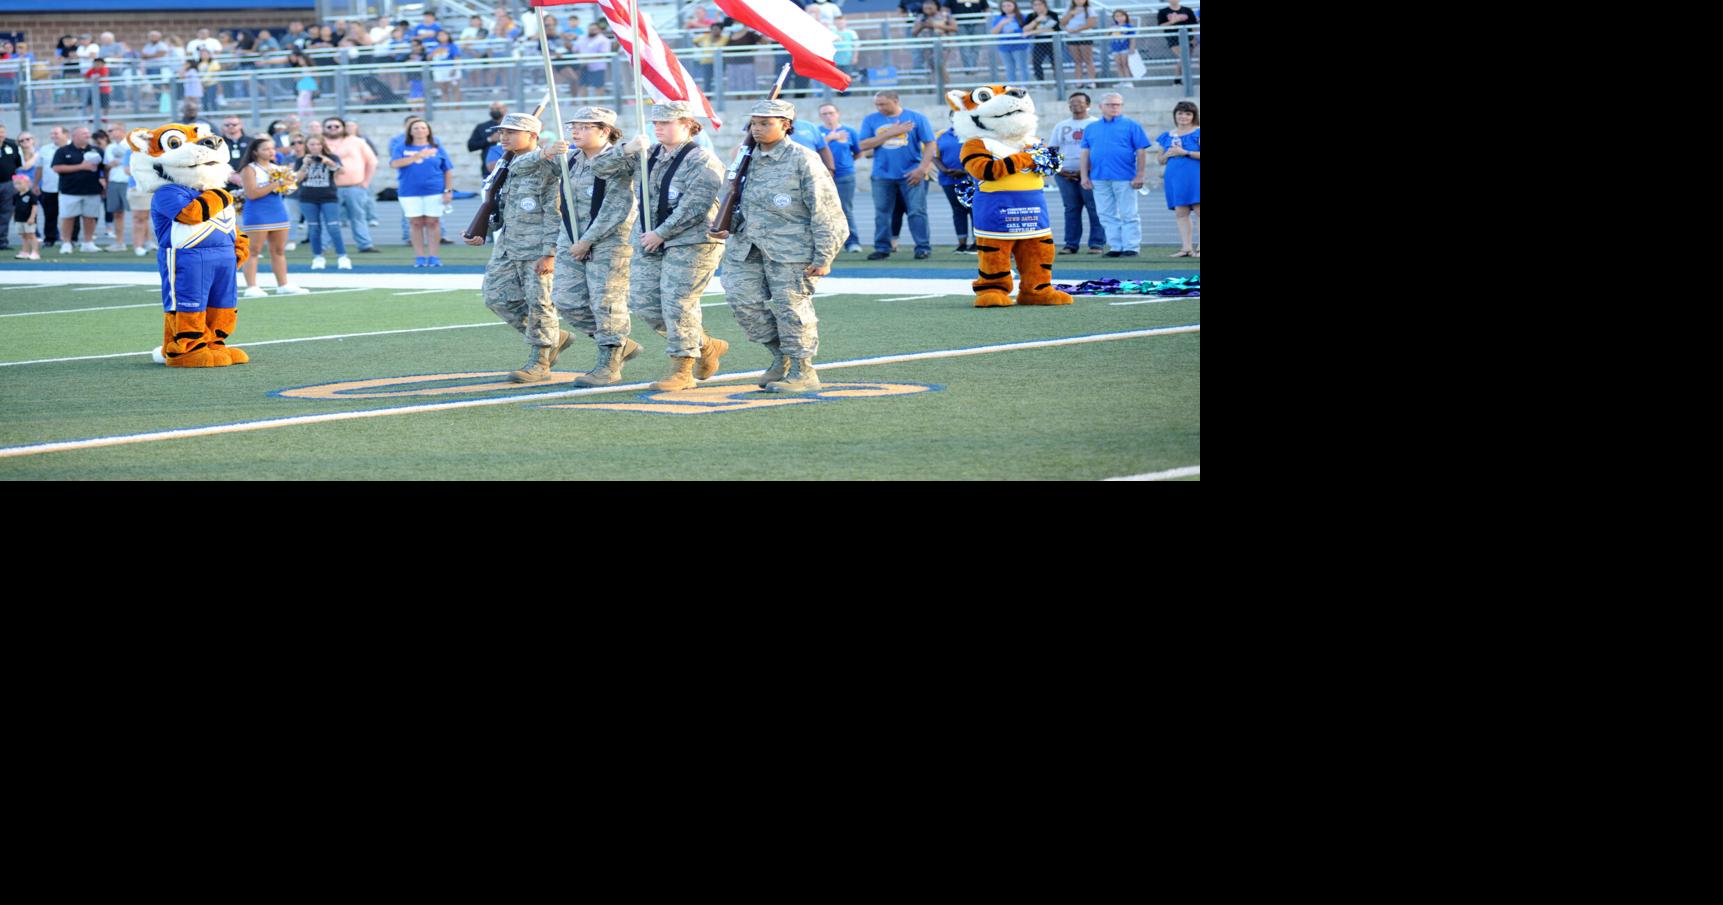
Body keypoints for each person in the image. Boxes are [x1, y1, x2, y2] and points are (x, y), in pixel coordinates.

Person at [591, 101, 728, 391]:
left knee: (678, 303)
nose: (658, 128)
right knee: (644, 303)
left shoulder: (702, 159)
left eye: (666, 123)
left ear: (687, 125)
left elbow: (696, 205)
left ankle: (682, 368)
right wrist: (627, 149)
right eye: (656, 123)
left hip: (691, 241)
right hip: (650, 239)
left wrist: (662, 233)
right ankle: (705, 345)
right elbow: (600, 168)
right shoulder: (648, 154)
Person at [710, 99, 844, 393]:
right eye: (753, 124)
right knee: (743, 303)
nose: (757, 129)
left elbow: (826, 210)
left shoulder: (802, 159)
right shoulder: (745, 158)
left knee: (791, 309)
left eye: (765, 123)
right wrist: (725, 222)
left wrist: (824, 255)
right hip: (746, 247)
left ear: (785, 125)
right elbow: (734, 198)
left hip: (790, 249)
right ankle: (780, 356)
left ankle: (803, 370)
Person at [464, 112, 569, 383]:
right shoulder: (506, 164)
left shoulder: (545, 166)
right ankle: (552, 337)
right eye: (502, 132)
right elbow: (501, 205)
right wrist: (483, 229)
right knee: (495, 297)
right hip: (508, 245)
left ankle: (540, 361)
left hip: (536, 248)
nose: (503, 137)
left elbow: (555, 213)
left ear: (532, 136)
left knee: (540, 303)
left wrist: (550, 253)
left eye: (511, 132)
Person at [551, 106, 640, 387]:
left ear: (604, 131)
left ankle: (609, 361)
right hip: (572, 237)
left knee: (607, 302)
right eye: (574, 126)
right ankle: (617, 342)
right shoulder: (571, 159)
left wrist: (588, 240)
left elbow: (617, 207)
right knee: (566, 299)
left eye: (584, 127)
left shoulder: (619, 161)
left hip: (609, 240)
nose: (575, 132)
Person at [859, 90, 936, 260]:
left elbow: (930, 144)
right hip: (882, 175)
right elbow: (863, 145)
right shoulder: (871, 120)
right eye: (877, 104)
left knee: (917, 211)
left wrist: (922, 169)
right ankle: (882, 248)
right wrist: (891, 132)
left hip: (911, 172)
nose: (880, 108)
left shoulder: (916, 118)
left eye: (883, 104)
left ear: (896, 100)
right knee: (882, 213)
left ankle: (922, 247)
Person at [1079, 92, 1149, 257]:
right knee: (1105, 214)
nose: (1114, 107)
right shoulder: (1091, 128)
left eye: (1118, 104)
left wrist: (1140, 175)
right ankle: (1116, 247)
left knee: (1129, 213)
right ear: (1100, 107)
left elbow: (1141, 151)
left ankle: (1131, 247)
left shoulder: (1132, 125)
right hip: (1099, 177)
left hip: (1125, 177)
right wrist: (1084, 176)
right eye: (1110, 104)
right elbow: (1085, 153)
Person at [238, 136, 309, 296]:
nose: (271, 151)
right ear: (255, 152)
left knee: (278, 250)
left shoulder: (277, 168)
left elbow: (293, 181)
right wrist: (275, 184)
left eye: (272, 148)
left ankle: (283, 285)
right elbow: (252, 194)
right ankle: (251, 287)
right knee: (254, 250)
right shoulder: (249, 169)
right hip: (257, 213)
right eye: (266, 149)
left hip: (278, 211)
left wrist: (304, 166)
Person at [1048, 91, 1105, 254]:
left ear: (1088, 105)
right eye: (1072, 102)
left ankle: (1096, 244)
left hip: (1090, 174)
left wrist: (1086, 170)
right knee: (1071, 209)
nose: (1075, 105)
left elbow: (1101, 150)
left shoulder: (1096, 124)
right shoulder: (1061, 125)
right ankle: (1071, 244)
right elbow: (1052, 149)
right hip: (1065, 174)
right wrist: (1059, 170)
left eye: (1080, 102)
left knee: (1094, 208)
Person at [394, 119, 454, 267]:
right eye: (416, 128)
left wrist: (448, 190)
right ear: (410, 131)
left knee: (433, 222)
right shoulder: (401, 147)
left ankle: (434, 256)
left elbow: (447, 169)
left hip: (434, 190)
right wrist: (417, 156)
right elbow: (394, 163)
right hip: (409, 191)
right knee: (415, 223)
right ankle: (420, 257)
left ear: (428, 131)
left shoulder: (437, 147)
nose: (419, 130)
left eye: (423, 128)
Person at [321, 117, 380, 253]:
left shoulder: (357, 141)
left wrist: (366, 181)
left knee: (358, 217)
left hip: (355, 187)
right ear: (324, 128)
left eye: (336, 126)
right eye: (329, 126)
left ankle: (365, 245)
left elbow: (372, 161)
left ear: (343, 127)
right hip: (329, 188)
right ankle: (324, 246)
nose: (333, 129)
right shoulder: (319, 143)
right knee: (329, 218)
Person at [294, 133, 349, 270]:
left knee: (333, 226)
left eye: (318, 144)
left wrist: (329, 162)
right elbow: (296, 179)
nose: (315, 147)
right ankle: (318, 257)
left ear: (323, 145)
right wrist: (304, 165)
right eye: (312, 144)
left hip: (328, 196)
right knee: (314, 228)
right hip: (307, 197)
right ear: (307, 146)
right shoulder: (301, 160)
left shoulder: (331, 157)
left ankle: (342, 256)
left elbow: (342, 172)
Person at [1155, 100, 1200, 256]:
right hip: (1175, 178)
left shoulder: (1198, 132)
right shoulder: (1167, 136)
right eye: (1180, 113)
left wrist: (1185, 152)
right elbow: (1160, 160)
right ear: (1175, 115)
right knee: (1181, 212)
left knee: (1199, 210)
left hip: (1196, 177)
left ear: (1194, 116)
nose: (1183, 117)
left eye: (1188, 114)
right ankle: (1186, 248)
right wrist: (1167, 154)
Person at [817, 103, 863, 254]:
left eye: (831, 113)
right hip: (821, 177)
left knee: (845, 209)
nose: (828, 116)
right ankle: (827, 244)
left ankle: (852, 242)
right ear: (820, 116)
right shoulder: (817, 132)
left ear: (838, 114)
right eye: (824, 114)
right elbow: (812, 151)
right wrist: (830, 138)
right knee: (822, 211)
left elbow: (858, 152)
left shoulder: (849, 131)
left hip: (845, 176)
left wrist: (845, 164)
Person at [52, 127, 104, 254]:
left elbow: (104, 169)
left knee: (90, 217)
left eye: (88, 133)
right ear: (74, 136)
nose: (87, 135)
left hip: (92, 190)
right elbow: (56, 168)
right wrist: (81, 167)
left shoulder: (96, 150)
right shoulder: (63, 151)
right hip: (69, 191)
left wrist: (104, 184)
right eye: (84, 133)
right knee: (68, 217)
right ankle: (66, 243)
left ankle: (88, 243)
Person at [934, 112, 972, 253]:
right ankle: (962, 244)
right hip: (949, 179)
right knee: (958, 210)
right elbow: (934, 156)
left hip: (970, 179)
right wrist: (944, 170)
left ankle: (977, 242)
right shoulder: (942, 136)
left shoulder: (975, 135)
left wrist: (966, 171)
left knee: (974, 210)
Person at [103, 125, 135, 253]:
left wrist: (121, 162)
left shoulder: (131, 144)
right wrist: (109, 165)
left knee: (139, 214)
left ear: (121, 131)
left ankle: (144, 242)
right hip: (114, 182)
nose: (109, 133)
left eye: (111, 130)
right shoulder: (109, 147)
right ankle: (119, 243)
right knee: (117, 214)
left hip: (129, 182)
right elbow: (107, 165)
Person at [1156, 0, 1199, 84]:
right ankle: (1178, 80)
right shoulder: (1163, 11)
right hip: (1173, 37)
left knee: (1185, 59)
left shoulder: (1187, 10)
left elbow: (1193, 24)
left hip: (1188, 37)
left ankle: (1181, 80)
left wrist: (1193, 38)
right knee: (1183, 56)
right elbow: (1161, 26)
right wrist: (1171, 22)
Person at [913, 1, 957, 81]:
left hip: (942, 45)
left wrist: (935, 25)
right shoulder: (920, 18)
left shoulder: (945, 15)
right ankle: (939, 85)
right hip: (927, 46)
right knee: (933, 67)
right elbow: (914, 33)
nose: (927, 10)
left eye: (930, 7)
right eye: (925, 8)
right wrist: (922, 26)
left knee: (939, 65)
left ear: (936, 6)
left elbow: (954, 28)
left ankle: (946, 85)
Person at [1060, 0, 1098, 88]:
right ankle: (1079, 82)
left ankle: (1092, 82)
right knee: (1077, 61)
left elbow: (1091, 23)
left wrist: (1077, 30)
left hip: (1085, 36)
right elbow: (1062, 22)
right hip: (1072, 37)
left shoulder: (1089, 9)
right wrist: (1071, 14)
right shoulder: (1069, 9)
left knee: (1088, 60)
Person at [946, 0, 989, 75]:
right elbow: (945, 8)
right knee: (965, 46)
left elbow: (986, 8)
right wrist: (950, 18)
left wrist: (984, 18)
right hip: (960, 24)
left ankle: (973, 68)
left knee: (976, 47)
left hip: (977, 24)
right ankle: (969, 69)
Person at [991, 1, 1028, 85]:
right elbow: (993, 32)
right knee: (1009, 68)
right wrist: (1002, 24)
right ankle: (1012, 85)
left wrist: (1015, 31)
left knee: (1022, 67)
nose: (1006, 8)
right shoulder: (999, 18)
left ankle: (1025, 85)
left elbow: (1027, 30)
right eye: (1004, 6)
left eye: (1009, 5)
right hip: (1004, 47)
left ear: (1014, 6)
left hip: (1019, 47)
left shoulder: (1022, 17)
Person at [1023, 0, 1060, 82]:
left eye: (1040, 4)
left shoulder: (1052, 14)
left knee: (1056, 63)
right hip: (1039, 42)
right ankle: (1040, 82)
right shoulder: (1031, 16)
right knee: (1036, 62)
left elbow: (1054, 30)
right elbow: (1025, 29)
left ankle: (1059, 82)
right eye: (1035, 5)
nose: (1037, 6)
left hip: (1053, 42)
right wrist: (1037, 20)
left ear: (1045, 4)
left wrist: (1032, 32)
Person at [469, 102, 507, 179]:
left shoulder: (512, 126)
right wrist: (489, 139)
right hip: (488, 170)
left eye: (497, 109)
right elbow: (471, 146)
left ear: (505, 109)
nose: (495, 111)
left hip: (510, 166)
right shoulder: (482, 127)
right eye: (492, 109)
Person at [0, 123, 20, 252]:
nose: (1, 135)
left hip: (8, 184)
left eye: (2, 132)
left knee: (6, 214)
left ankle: (2, 241)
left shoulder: (11, 145)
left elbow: (17, 164)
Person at [12, 175, 40, 259]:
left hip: (28, 220)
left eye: (19, 183)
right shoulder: (16, 196)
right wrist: (15, 218)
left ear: (28, 183)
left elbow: (34, 207)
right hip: (19, 219)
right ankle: (25, 252)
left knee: (31, 235)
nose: (17, 186)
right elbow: (15, 208)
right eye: (15, 184)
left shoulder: (31, 195)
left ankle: (35, 252)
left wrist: (32, 217)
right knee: (24, 236)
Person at [1107, 9, 1136, 87]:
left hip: (1125, 48)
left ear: (1126, 16)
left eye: (1121, 16)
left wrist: (1132, 48)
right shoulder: (1113, 27)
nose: (1119, 18)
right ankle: (1122, 81)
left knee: (1125, 64)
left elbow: (1132, 38)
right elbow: (1107, 35)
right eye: (1117, 16)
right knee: (1118, 65)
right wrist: (1110, 30)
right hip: (1116, 48)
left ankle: (1128, 82)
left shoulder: (1129, 26)